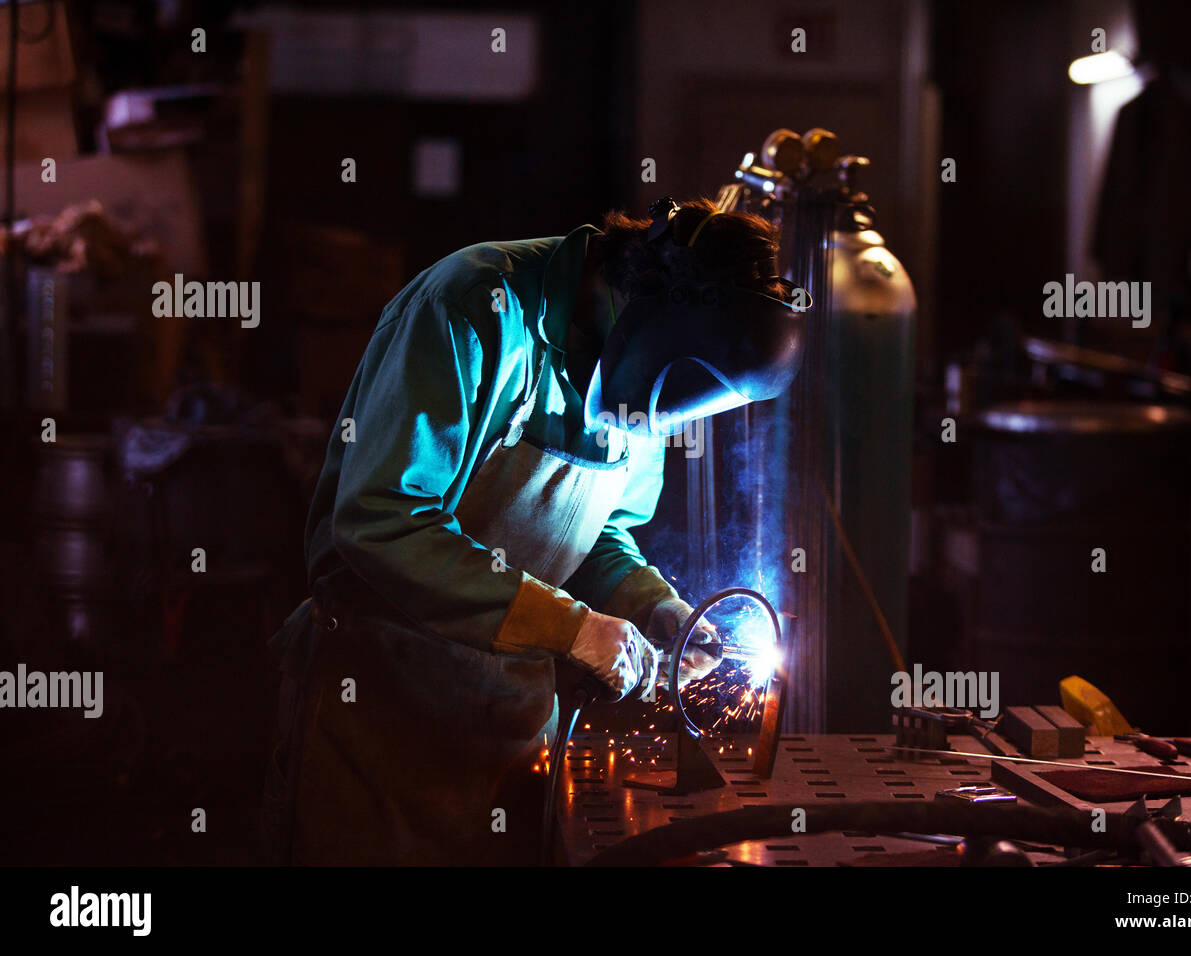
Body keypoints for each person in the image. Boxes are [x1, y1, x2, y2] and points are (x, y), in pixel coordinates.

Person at [262, 196, 805, 865]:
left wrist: (652, 606)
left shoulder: (646, 379)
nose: (660, 423)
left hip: (513, 730)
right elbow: (382, 520)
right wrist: (574, 629)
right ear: (648, 315)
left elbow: (599, 536)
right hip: (378, 717)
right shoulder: (471, 307)